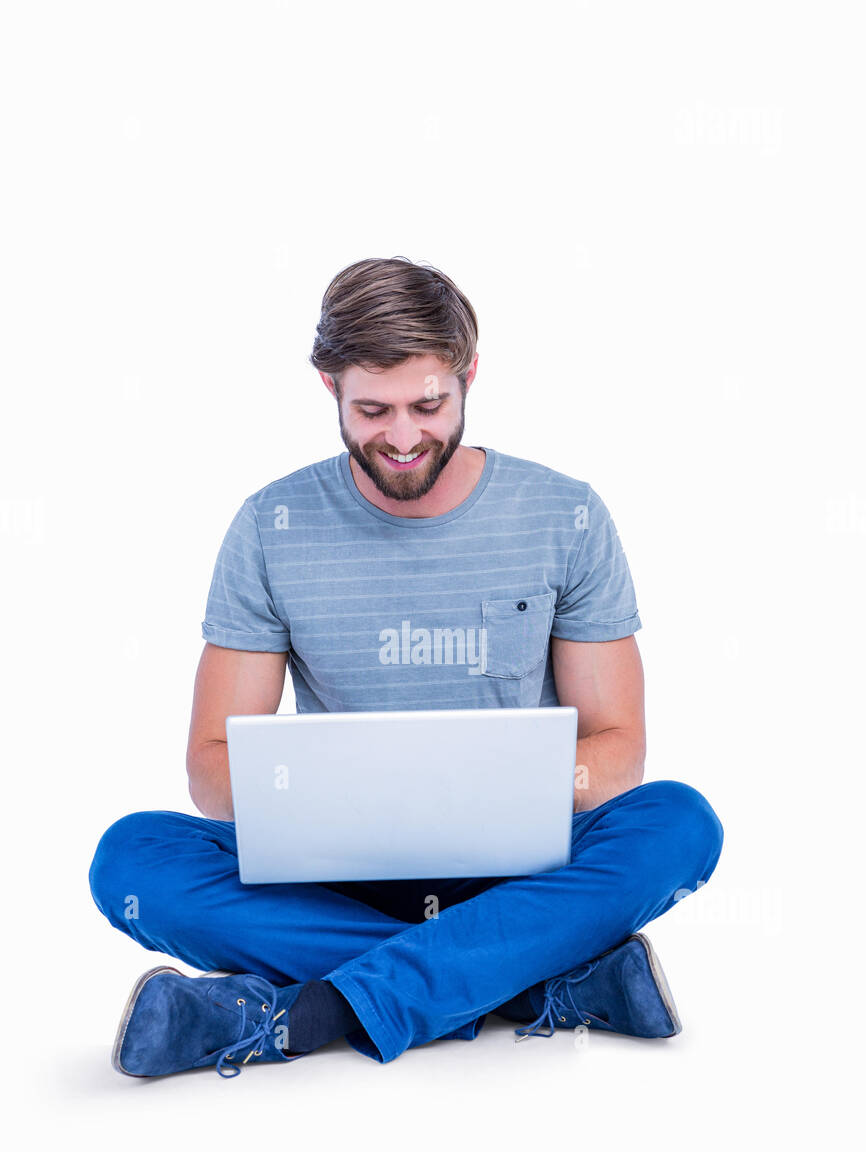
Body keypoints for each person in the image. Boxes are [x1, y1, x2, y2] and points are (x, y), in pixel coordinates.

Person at [89, 256, 724, 1080]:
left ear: (468, 376)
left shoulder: (564, 515)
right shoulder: (268, 527)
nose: (401, 437)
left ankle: (307, 1012)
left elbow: (619, 748)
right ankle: (527, 983)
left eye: (429, 404)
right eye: (371, 409)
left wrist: (493, 789)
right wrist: (340, 797)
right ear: (328, 387)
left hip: (523, 870)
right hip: (341, 878)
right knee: (133, 857)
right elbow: (210, 770)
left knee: (679, 823)